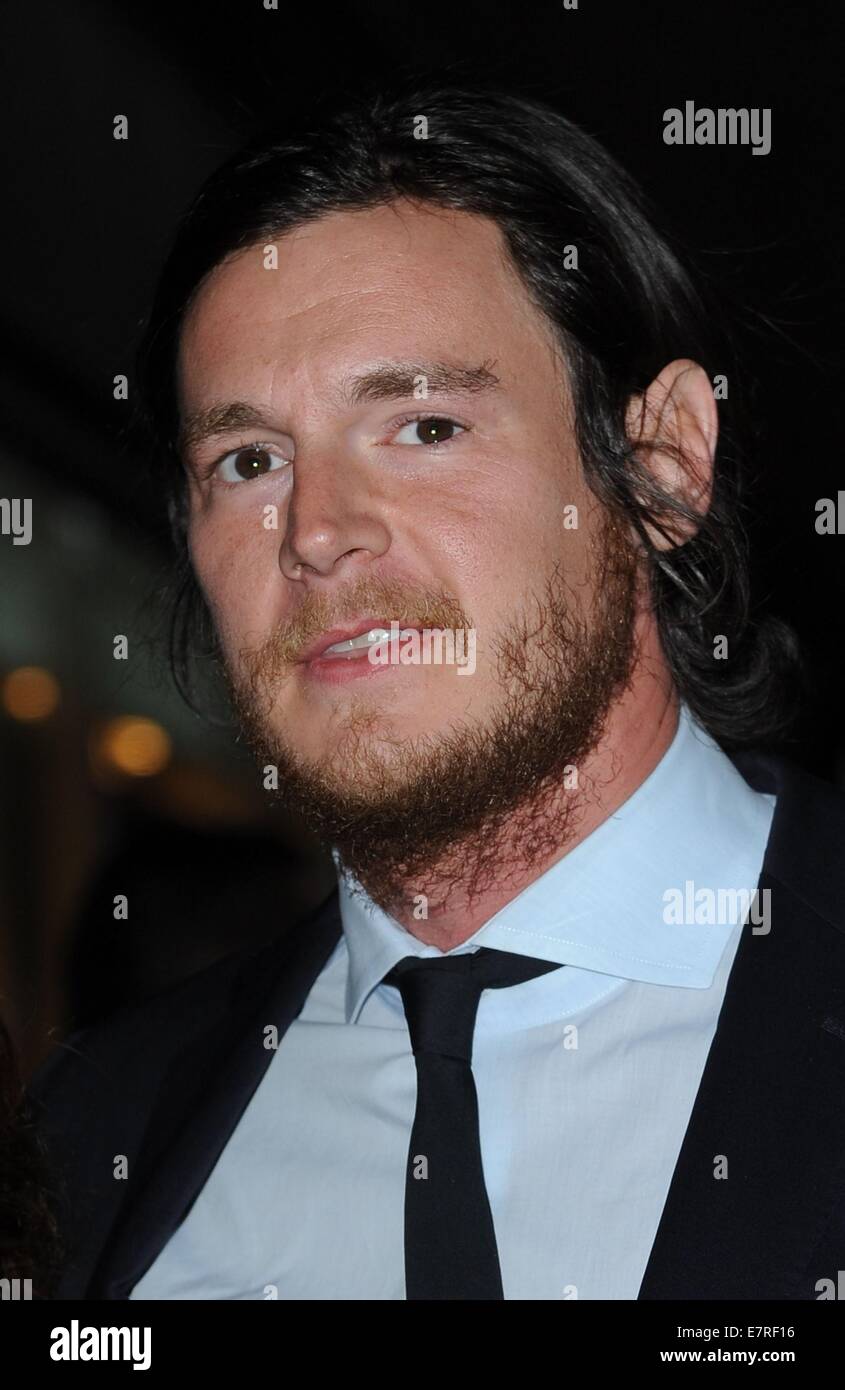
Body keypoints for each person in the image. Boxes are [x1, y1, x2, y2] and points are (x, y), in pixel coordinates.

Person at [28, 81, 845, 1301]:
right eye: (248, 460)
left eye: (422, 426)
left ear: (663, 464)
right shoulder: (91, 1136)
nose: (316, 532)